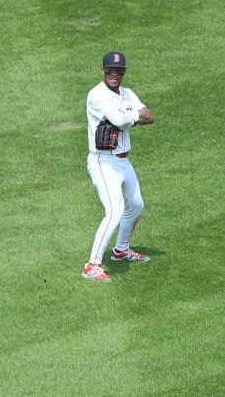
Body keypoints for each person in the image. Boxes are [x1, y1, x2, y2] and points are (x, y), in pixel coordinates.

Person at [82, 52, 155, 282]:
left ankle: (120, 250)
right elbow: (121, 121)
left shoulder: (128, 93)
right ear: (102, 70)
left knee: (136, 205)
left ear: (123, 72)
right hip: (104, 163)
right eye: (110, 71)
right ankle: (91, 265)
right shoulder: (97, 95)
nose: (114, 75)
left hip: (124, 160)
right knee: (114, 211)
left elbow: (149, 116)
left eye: (119, 71)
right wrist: (131, 115)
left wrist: (127, 115)